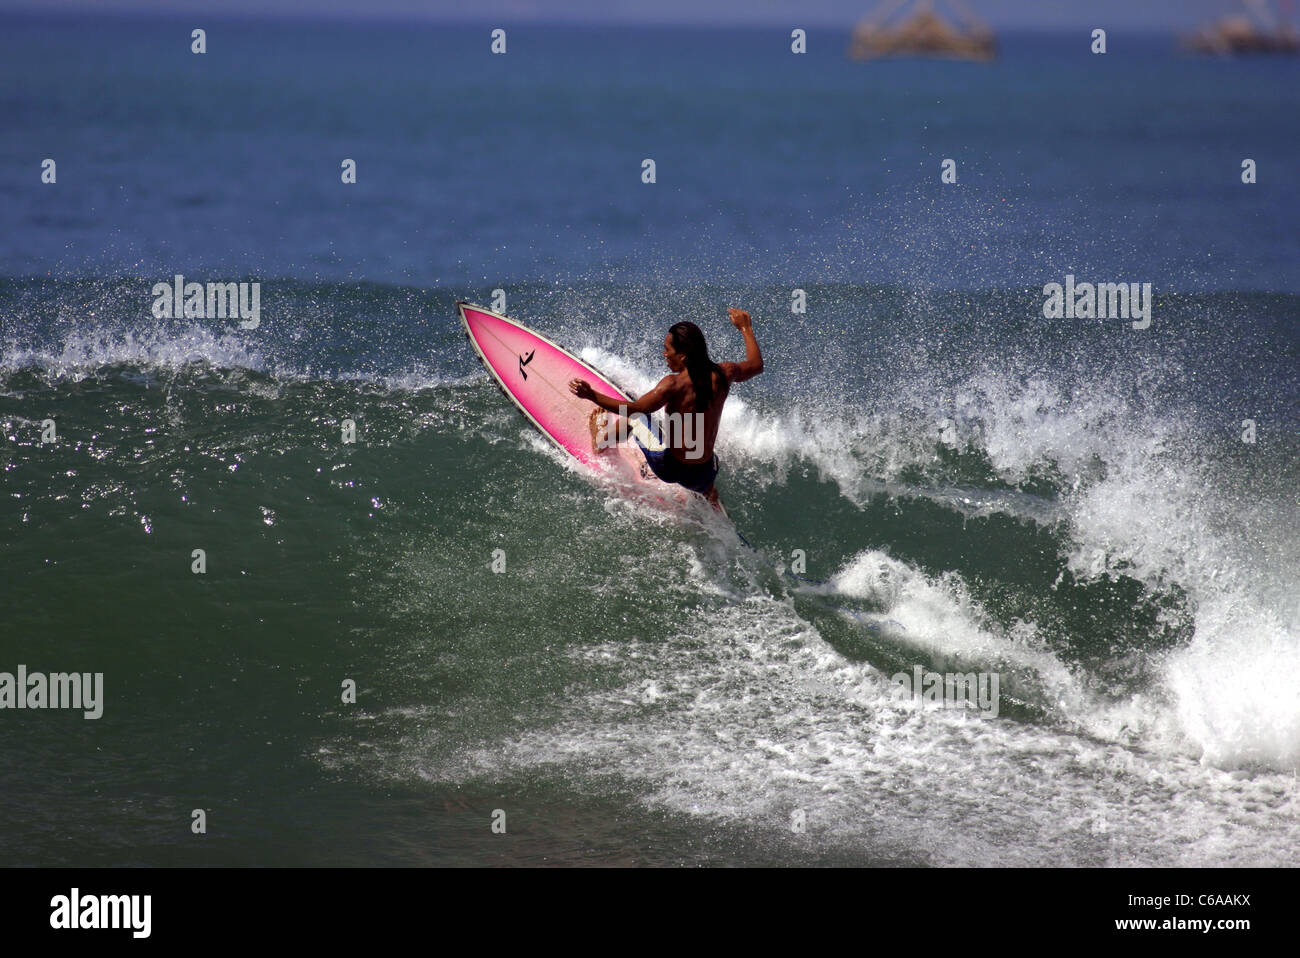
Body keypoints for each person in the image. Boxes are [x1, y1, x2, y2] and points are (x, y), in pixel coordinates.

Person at [568, 307, 763, 509]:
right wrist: (745, 328)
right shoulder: (724, 373)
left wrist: (592, 395)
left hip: (671, 469)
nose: (664, 354)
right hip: (702, 474)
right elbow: (756, 365)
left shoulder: (673, 385)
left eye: (667, 349)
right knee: (709, 459)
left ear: (683, 355)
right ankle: (707, 493)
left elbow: (634, 409)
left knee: (637, 420)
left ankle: (600, 439)